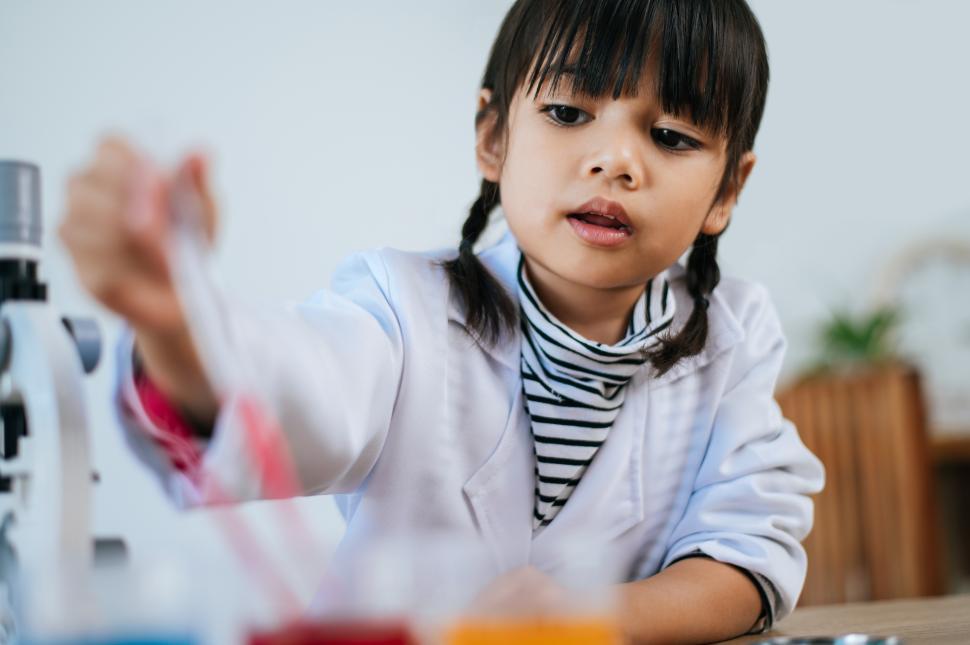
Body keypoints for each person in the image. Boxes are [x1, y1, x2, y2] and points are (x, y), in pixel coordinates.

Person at [59, 0, 825, 641]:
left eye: (671, 136)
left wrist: (592, 619)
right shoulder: (402, 311)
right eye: (567, 111)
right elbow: (285, 388)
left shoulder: (732, 337)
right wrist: (176, 326)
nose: (616, 160)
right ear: (493, 137)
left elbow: (749, 556)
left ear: (728, 187)